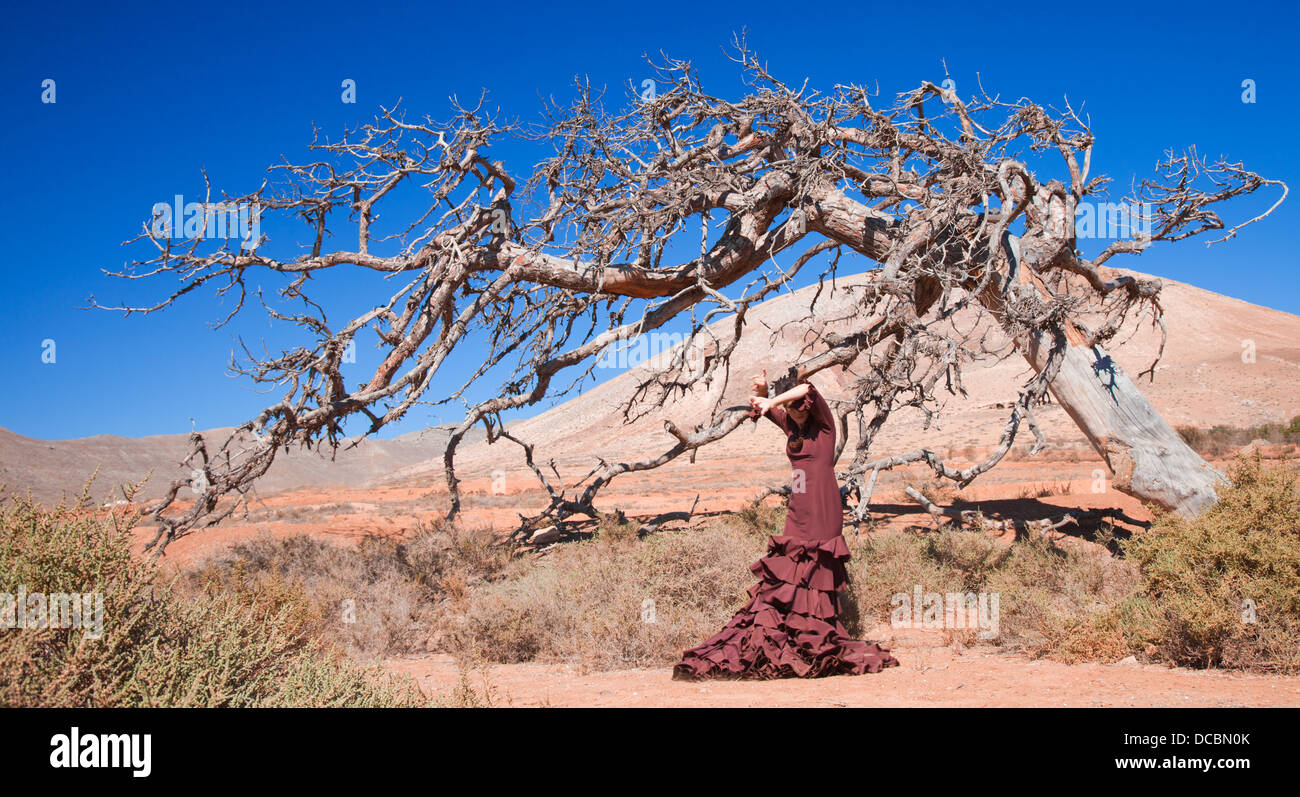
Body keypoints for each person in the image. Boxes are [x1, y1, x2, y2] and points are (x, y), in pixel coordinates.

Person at [671, 370, 899, 680]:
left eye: (794, 409)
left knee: (815, 569)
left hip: (823, 506)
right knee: (787, 569)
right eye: (788, 413)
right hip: (799, 506)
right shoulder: (791, 426)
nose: (791, 416)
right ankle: (788, 633)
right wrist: (764, 393)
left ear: (805, 406)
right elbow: (768, 410)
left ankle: (814, 639)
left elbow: (805, 387)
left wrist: (773, 399)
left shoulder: (824, 426)